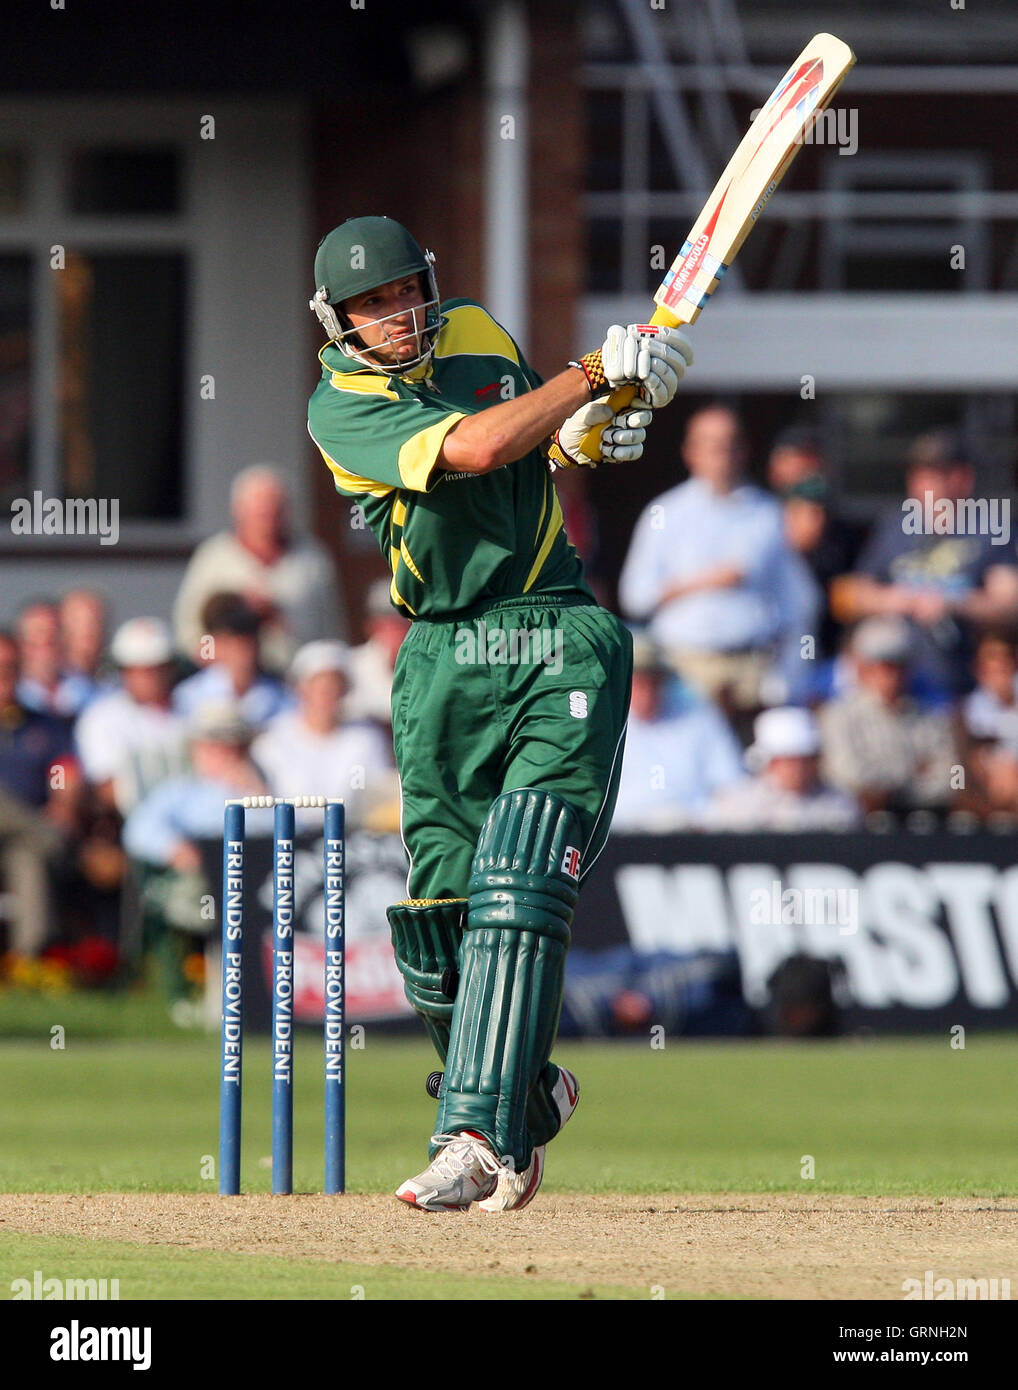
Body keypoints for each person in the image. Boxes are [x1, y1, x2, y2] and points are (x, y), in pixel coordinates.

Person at [306, 214, 691, 1210]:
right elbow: (476, 448)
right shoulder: (339, 405)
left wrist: (596, 424)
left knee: (519, 865)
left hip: (552, 626)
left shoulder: (476, 330)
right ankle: (528, 1102)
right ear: (338, 320)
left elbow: (537, 445)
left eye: (404, 292)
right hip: (439, 655)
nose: (397, 316)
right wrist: (589, 372)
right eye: (372, 305)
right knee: (436, 925)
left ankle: (474, 1136)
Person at [618, 404, 819, 712]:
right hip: (684, 670)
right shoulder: (664, 513)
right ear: (690, 451)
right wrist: (706, 581)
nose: (721, 453)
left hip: (753, 672)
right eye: (710, 444)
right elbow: (635, 597)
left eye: (729, 443)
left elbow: (799, 601)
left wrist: (790, 673)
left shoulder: (768, 514)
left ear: (744, 449)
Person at [835, 429, 1018, 700]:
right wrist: (896, 600)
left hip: (965, 686)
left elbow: (1009, 602)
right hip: (899, 688)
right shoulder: (895, 527)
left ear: (962, 478)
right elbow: (848, 595)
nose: (924, 485)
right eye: (919, 475)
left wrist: (952, 603)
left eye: (935, 475)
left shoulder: (990, 529)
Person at [172, 463, 347, 673]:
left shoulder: (312, 559)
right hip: (228, 683)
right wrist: (227, 637)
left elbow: (332, 629)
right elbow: (188, 630)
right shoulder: (212, 558)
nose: (268, 520)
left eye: (275, 510)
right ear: (238, 511)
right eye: (260, 512)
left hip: (295, 682)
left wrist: (278, 617)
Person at [252, 639, 398, 829]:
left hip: (352, 842)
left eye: (334, 685)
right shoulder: (270, 742)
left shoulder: (367, 739)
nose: (326, 694)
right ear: (301, 688)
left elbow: (378, 798)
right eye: (318, 685)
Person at [818, 617, 958, 814]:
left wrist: (891, 789)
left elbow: (952, 780)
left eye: (899, 665)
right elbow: (848, 778)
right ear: (861, 668)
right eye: (881, 665)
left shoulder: (931, 716)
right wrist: (913, 771)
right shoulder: (838, 716)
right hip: (858, 826)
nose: (890, 675)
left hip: (924, 819)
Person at [611, 637, 744, 831]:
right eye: (638, 682)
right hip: (620, 835)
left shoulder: (699, 715)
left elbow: (730, 780)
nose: (646, 693)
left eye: (652, 682)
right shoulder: (601, 722)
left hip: (691, 833)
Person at [0, 631, 76, 954]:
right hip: (35, 827)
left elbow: (62, 773)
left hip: (19, 838)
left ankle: (30, 961)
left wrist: (61, 801)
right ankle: (49, 836)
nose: (5, 675)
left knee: (27, 861)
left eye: (11, 666)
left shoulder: (43, 725)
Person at [74, 618, 189, 813]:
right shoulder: (102, 717)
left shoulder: (191, 709)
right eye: (140, 670)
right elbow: (108, 789)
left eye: (158, 668)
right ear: (124, 671)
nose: (151, 677)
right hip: (133, 824)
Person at [705, 705, 860, 832]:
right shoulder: (736, 804)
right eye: (788, 761)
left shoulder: (839, 803)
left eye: (804, 760)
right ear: (769, 763)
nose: (797, 769)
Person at [172, 593, 292, 732]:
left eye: (248, 644)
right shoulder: (187, 697)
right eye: (232, 645)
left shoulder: (281, 695)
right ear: (217, 644)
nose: (243, 654)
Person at [344, 577, 411, 729]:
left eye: (406, 622)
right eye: (390, 624)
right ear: (371, 626)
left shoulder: (435, 663)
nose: (401, 631)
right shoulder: (350, 666)